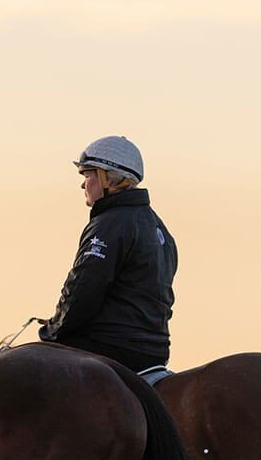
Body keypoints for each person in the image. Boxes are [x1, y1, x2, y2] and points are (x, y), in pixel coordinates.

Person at [38, 136, 177, 373]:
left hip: (108, 346)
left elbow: (84, 288)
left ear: (107, 178)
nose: (83, 185)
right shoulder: (160, 229)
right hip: (154, 353)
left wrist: (52, 330)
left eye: (87, 175)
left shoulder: (109, 224)